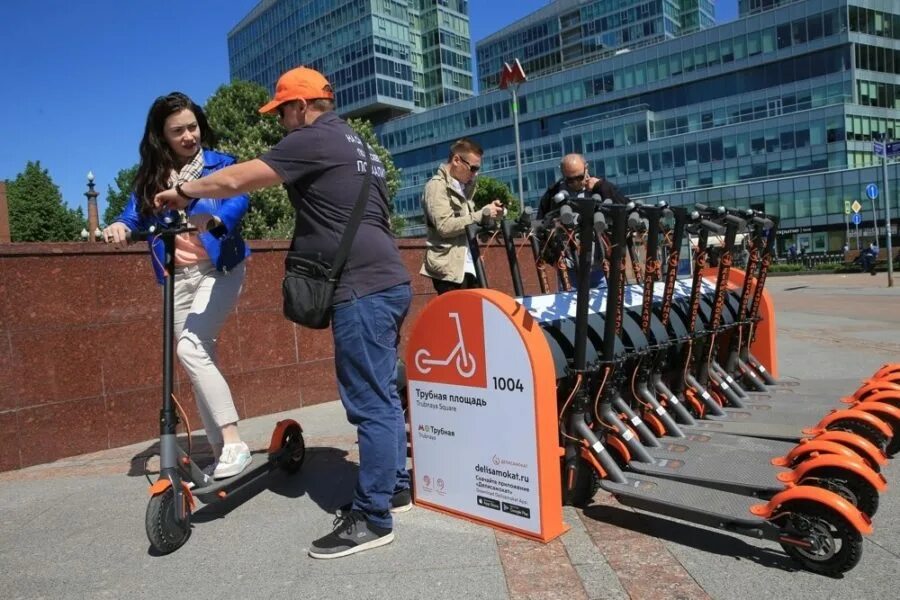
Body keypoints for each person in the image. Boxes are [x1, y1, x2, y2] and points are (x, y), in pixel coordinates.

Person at [154, 67, 411, 560]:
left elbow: (236, 177)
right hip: (389, 280)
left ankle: (373, 516)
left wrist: (185, 192)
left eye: (281, 113)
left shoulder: (314, 138)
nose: (280, 124)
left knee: (370, 402)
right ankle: (394, 486)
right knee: (383, 395)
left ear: (300, 106)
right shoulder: (358, 146)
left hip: (361, 289)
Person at [103, 92, 252, 480]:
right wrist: (120, 225)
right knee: (199, 357)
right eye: (178, 131)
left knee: (190, 346)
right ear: (161, 136)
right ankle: (222, 451)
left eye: (192, 127)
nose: (189, 136)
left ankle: (234, 443)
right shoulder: (153, 175)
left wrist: (210, 217)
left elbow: (237, 198)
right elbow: (133, 213)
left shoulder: (220, 164)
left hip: (218, 269)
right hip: (177, 279)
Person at [420, 138, 504, 294]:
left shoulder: (463, 187)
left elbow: (468, 222)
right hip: (449, 271)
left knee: (477, 316)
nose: (475, 173)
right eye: (473, 168)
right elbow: (445, 227)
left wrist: (491, 216)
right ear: (456, 160)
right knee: (458, 317)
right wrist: (480, 215)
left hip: (469, 266)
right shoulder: (436, 186)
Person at [536, 154, 630, 289]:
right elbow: (540, 228)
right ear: (562, 174)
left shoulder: (601, 187)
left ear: (586, 168)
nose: (575, 183)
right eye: (569, 180)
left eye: (579, 177)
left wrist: (601, 186)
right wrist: (553, 259)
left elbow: (625, 208)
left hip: (600, 268)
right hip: (570, 270)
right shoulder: (553, 194)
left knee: (605, 308)